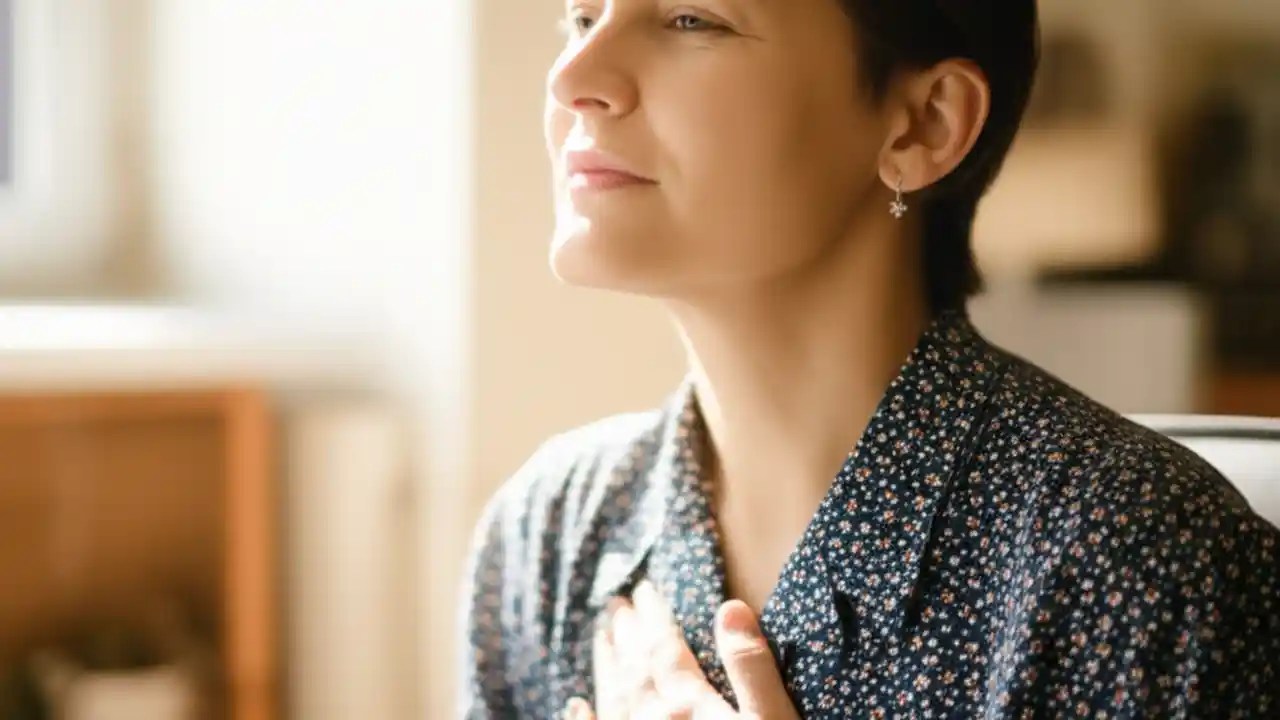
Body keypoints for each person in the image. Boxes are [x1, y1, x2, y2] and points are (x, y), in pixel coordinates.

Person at [458, 0, 1280, 717]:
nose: (574, 77)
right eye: (583, 17)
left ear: (927, 122)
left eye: (689, 20)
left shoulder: (1145, 557)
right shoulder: (549, 531)